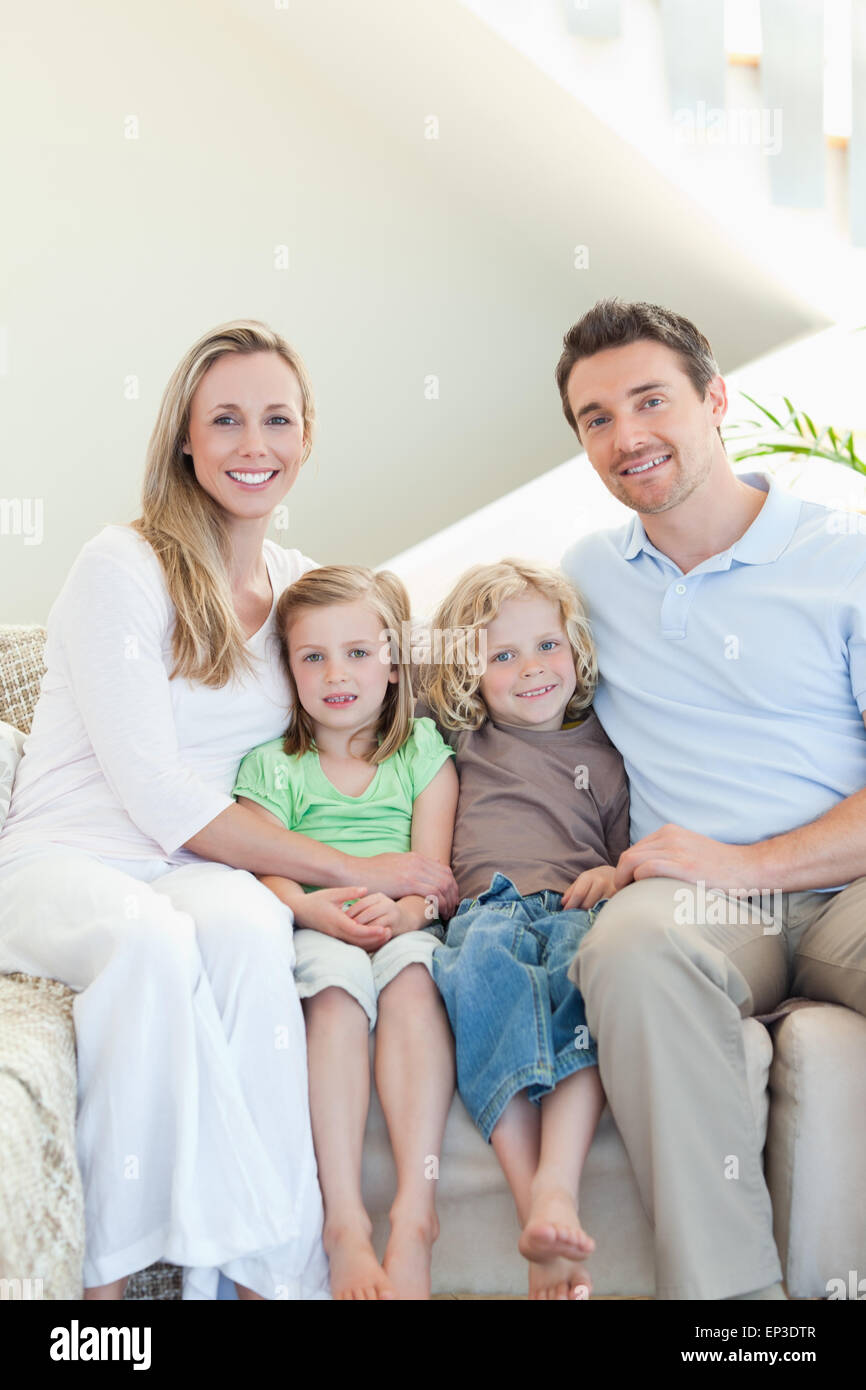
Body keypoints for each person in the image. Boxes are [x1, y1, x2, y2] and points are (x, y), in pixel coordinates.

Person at [0, 319, 457, 1301]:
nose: (255, 444)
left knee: (253, 937)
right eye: (227, 420)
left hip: (206, 871)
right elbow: (160, 792)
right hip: (64, 862)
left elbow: (374, 720)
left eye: (277, 419)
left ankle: (267, 1282)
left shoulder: (302, 590)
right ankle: (107, 1285)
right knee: (152, 945)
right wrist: (361, 872)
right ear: (186, 440)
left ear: (305, 437)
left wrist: (321, 893)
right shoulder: (121, 564)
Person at [555, 297, 866, 1301]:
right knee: (626, 946)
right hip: (697, 908)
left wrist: (746, 863)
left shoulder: (841, 557)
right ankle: (734, 1318)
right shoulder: (586, 578)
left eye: (649, 400)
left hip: (844, 885)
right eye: (595, 417)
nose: (625, 435)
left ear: (714, 398)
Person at [231, 564, 459, 1300]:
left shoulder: (422, 751)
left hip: (405, 927)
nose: (337, 674)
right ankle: (344, 1225)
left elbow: (432, 875)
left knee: (416, 984)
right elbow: (265, 865)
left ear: (394, 664)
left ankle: (415, 1218)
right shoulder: (273, 766)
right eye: (313, 656)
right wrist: (310, 909)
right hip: (319, 924)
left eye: (359, 653)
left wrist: (405, 916)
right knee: (331, 997)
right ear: (286, 668)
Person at [415, 559, 629, 1300]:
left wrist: (617, 873)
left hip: (579, 905)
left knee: (589, 988)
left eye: (547, 646)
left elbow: (631, 848)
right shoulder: (454, 741)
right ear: (469, 675)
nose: (531, 669)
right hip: (484, 913)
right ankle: (531, 1199)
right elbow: (377, 652)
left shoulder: (606, 748)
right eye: (501, 656)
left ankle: (556, 1189)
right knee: (480, 980)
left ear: (577, 648)